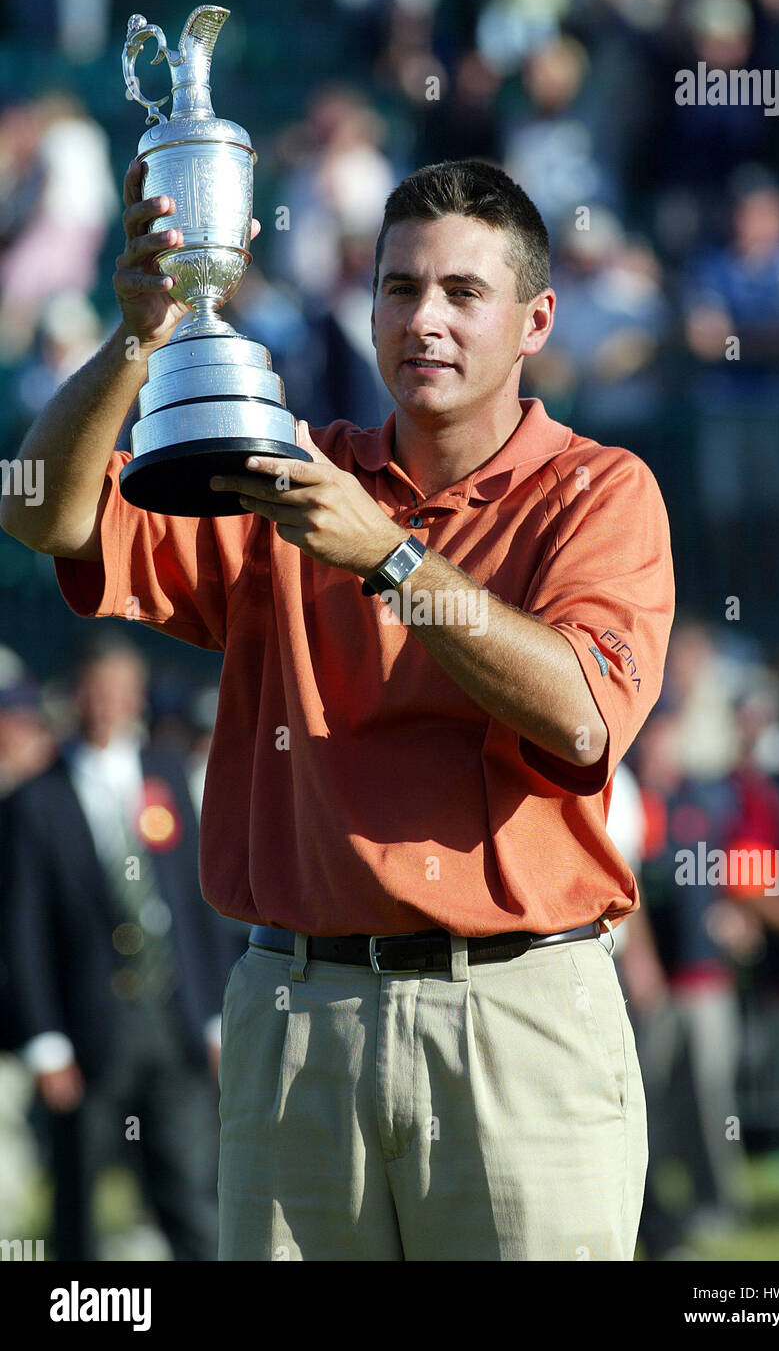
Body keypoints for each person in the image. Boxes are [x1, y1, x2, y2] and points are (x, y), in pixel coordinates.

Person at [1, 157, 676, 1262]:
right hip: (296, 1009)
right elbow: (41, 512)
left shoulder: (600, 490)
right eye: (400, 288)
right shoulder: (290, 467)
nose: (426, 319)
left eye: (464, 292)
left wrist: (389, 556)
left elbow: (583, 713)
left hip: (517, 1011)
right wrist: (135, 339)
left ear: (535, 320)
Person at [1, 636, 240, 1259]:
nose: (109, 705)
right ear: (74, 693)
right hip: (88, 1030)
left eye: (121, 691)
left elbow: (199, 903)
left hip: (175, 1024)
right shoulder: (36, 800)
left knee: (190, 1189)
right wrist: (46, 1042)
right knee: (79, 1198)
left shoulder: (165, 775)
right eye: (96, 690)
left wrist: (215, 1017)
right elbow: (23, 930)